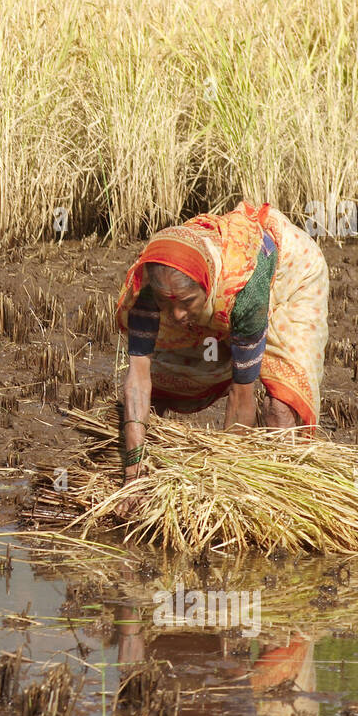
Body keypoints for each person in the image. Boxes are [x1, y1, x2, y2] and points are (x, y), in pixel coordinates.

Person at [113, 200, 329, 516]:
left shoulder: (245, 291)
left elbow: (242, 394)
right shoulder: (149, 287)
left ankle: (286, 497)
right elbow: (138, 378)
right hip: (219, 300)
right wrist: (132, 476)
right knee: (160, 385)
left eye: (186, 303)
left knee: (279, 406)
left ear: (206, 285)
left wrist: (225, 483)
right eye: (166, 303)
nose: (175, 314)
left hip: (290, 278)